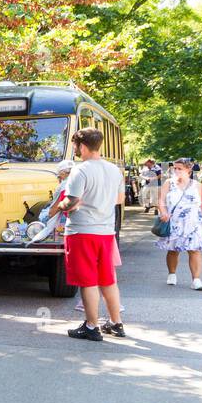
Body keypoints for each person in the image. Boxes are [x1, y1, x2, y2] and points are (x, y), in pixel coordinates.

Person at [61, 128, 126, 341]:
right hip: (106, 231)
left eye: (76, 147)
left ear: (82, 146)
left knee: (87, 281)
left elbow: (72, 202)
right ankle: (116, 323)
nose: (76, 151)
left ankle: (91, 326)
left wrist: (61, 205)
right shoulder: (114, 169)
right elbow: (118, 199)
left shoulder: (80, 171)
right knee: (108, 279)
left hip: (82, 231)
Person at [156, 158, 202, 290]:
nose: (176, 171)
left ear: (188, 170)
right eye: (175, 168)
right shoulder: (168, 183)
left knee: (194, 250)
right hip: (173, 222)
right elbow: (161, 200)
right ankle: (172, 274)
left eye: (179, 168)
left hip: (193, 223)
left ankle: (196, 280)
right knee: (173, 250)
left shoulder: (197, 185)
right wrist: (163, 212)